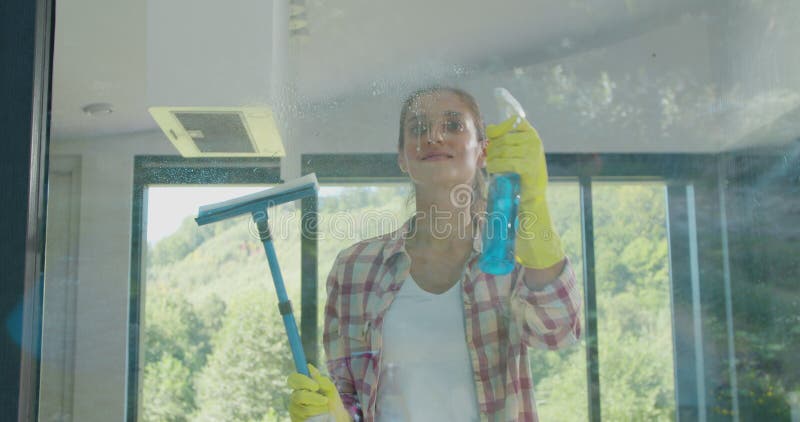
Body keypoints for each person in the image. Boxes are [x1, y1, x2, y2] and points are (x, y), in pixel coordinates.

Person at [286, 87, 583, 422]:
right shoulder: (355, 267)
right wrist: (332, 413)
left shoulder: (510, 255)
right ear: (402, 157)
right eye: (418, 128)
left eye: (454, 126)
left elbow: (559, 332)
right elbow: (350, 394)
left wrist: (533, 205)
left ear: (483, 151)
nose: (434, 136)